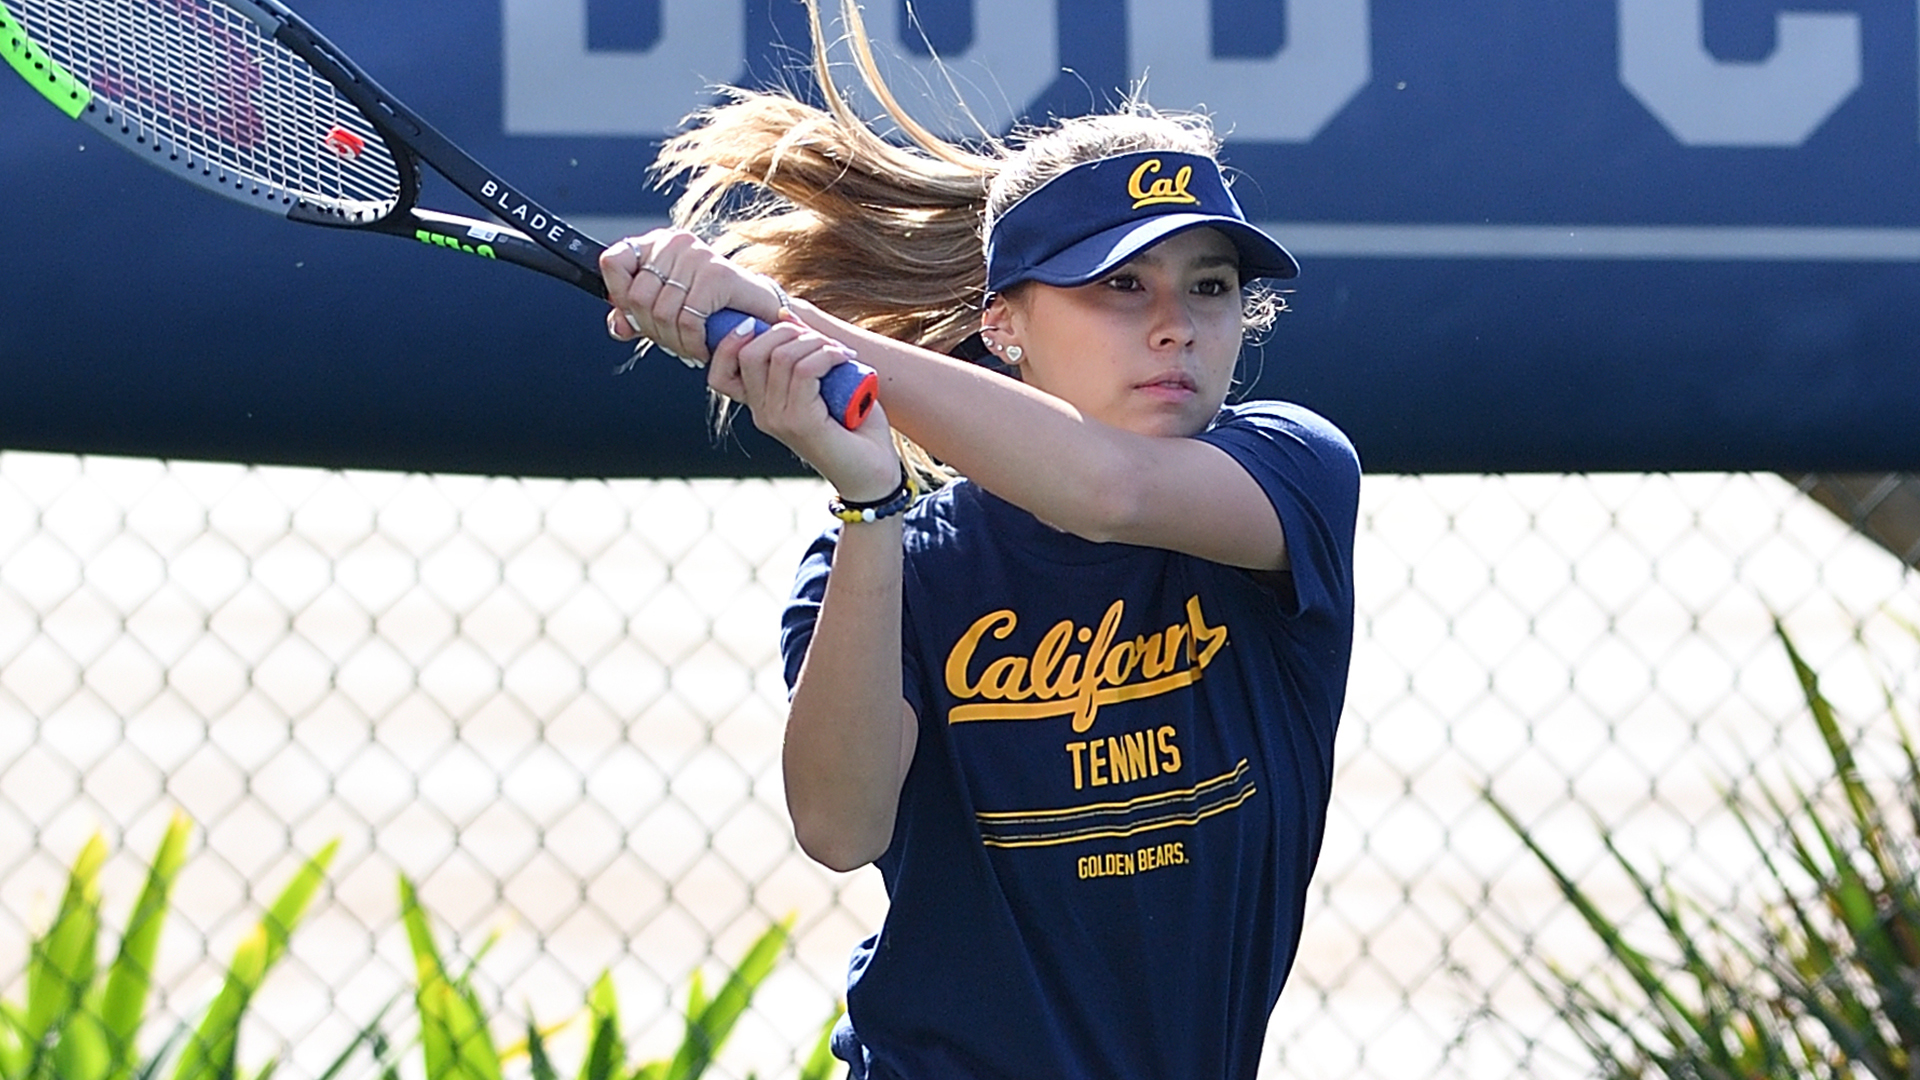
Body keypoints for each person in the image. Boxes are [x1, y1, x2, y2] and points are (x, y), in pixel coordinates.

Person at [599, 3, 1360, 1076]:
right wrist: (869, 503)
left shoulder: (1293, 475)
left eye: (1211, 286)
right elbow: (839, 825)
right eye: (1118, 286)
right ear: (1003, 324)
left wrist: (779, 313)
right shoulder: (910, 560)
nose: (1174, 325)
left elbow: (1110, 489)